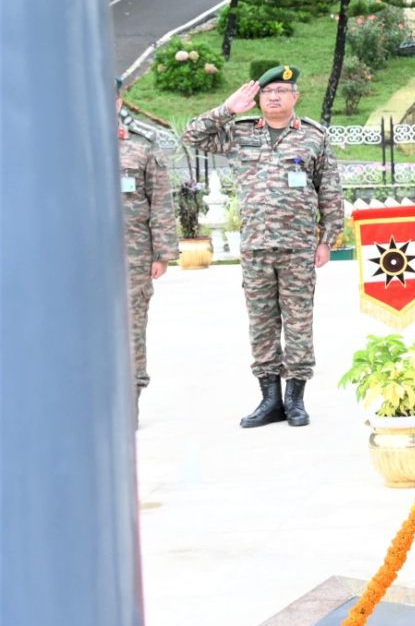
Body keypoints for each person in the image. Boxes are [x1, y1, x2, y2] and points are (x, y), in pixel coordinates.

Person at [185, 65, 343, 428]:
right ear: (257, 97)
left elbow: (330, 192)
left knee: (299, 322)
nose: (274, 97)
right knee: (261, 324)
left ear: (295, 97)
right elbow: (193, 137)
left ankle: (296, 399)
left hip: (298, 248)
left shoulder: (313, 137)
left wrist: (327, 239)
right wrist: (227, 109)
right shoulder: (240, 134)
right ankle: (269, 398)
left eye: (282, 91)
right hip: (256, 248)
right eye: (267, 91)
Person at [119, 79, 178, 416]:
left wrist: (162, 252)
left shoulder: (141, 146)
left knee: (132, 325)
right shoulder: (68, 145)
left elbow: (160, 201)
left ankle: (131, 399)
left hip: (134, 255)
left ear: (117, 102)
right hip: (82, 258)